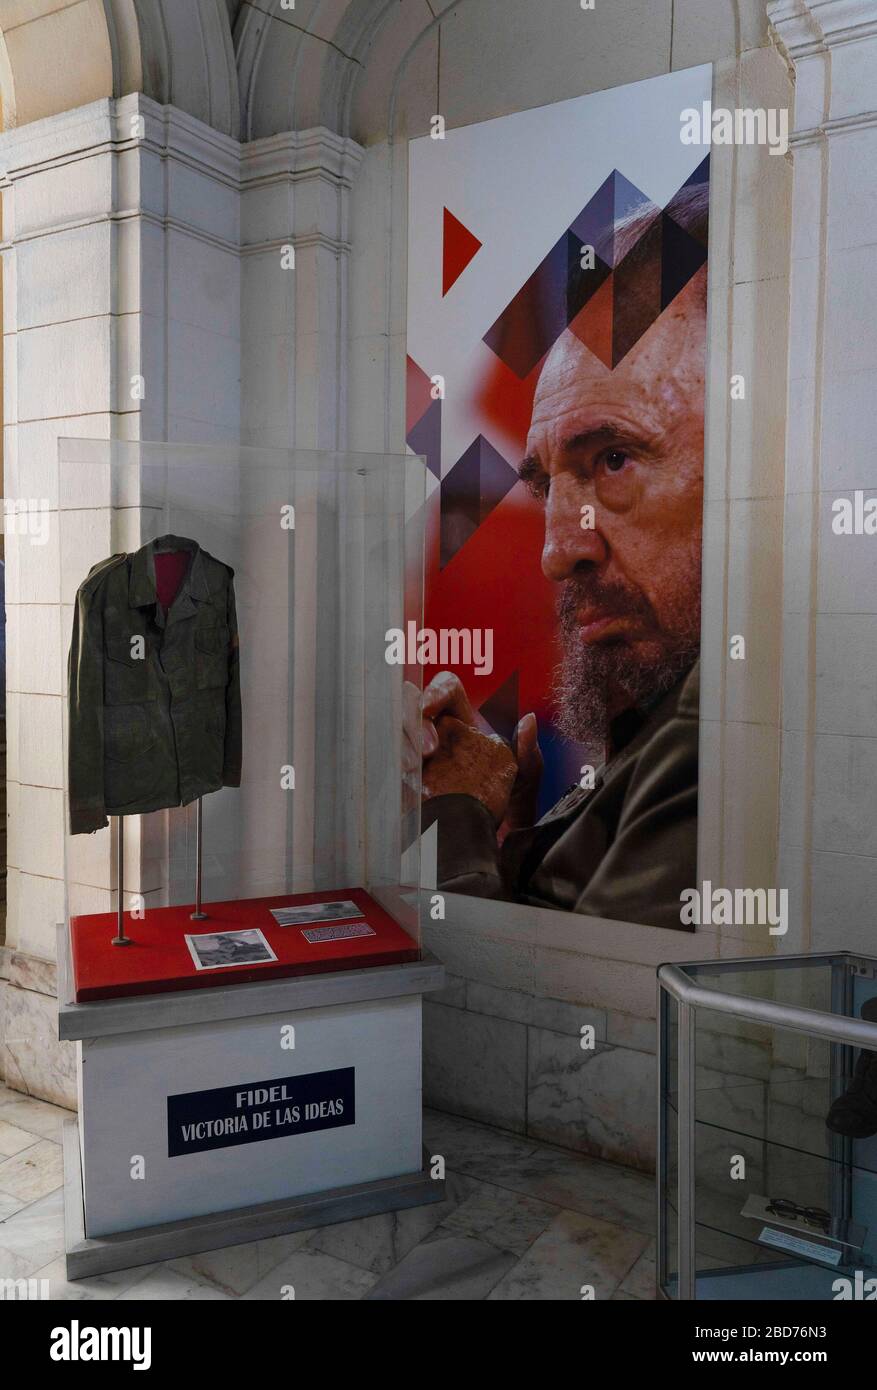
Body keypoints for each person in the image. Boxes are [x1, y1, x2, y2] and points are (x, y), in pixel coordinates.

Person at [406, 187, 707, 930]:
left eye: (612, 458)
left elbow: (553, 1036)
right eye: (543, 485)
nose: (553, 551)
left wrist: (456, 817)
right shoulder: (666, 718)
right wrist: (500, 821)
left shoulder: (712, 741)